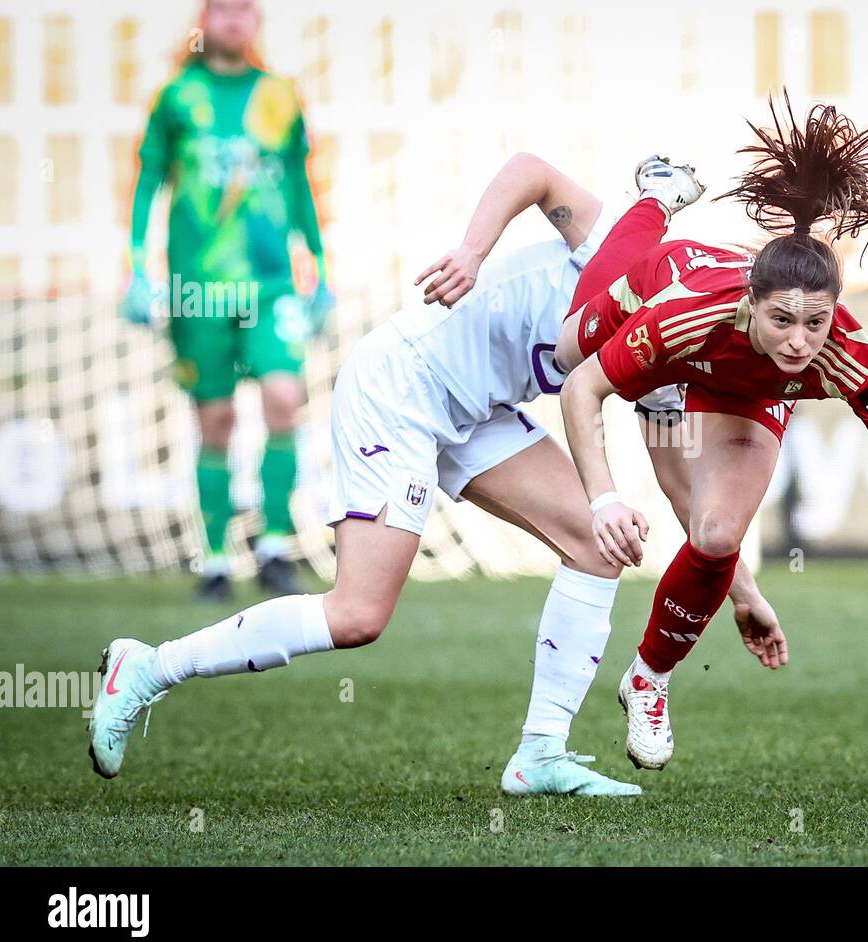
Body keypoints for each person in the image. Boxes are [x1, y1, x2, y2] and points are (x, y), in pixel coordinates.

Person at [89, 152, 788, 797]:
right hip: (404, 385)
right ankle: (148, 667)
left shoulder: (682, 350)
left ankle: (540, 753)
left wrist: (740, 592)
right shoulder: (620, 245)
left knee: (595, 541)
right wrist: (472, 252)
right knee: (359, 615)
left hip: (476, 410)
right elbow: (531, 169)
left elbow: (682, 488)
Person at [557, 94, 868, 771]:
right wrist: (602, 498)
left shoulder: (846, 354)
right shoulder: (684, 313)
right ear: (751, 304)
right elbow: (579, 388)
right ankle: (654, 199)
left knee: (714, 533)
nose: (800, 342)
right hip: (668, 304)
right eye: (781, 321)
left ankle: (648, 677)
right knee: (563, 350)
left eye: (816, 323)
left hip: (746, 394)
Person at [122, 0, 334, 601]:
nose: (235, 19)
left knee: (284, 397)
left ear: (257, 23)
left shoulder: (279, 96)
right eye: (223, 8)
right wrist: (139, 269)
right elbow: (147, 183)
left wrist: (318, 266)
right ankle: (215, 559)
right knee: (214, 420)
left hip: (270, 287)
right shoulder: (176, 98)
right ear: (204, 20)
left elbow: (298, 184)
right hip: (198, 288)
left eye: (246, 9)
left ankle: (272, 546)